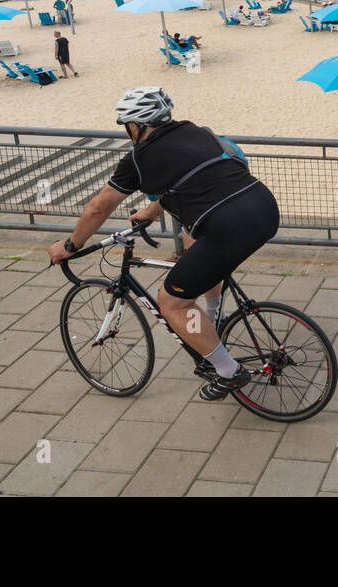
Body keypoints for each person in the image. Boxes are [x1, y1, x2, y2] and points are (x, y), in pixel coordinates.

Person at [48, 87, 280, 400]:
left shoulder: (138, 160)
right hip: (263, 208)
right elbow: (216, 166)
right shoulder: (197, 132)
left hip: (228, 228)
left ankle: (229, 372)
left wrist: (70, 246)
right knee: (201, 252)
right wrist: (151, 211)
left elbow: (98, 208)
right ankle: (213, 319)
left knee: (171, 302)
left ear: (134, 127)